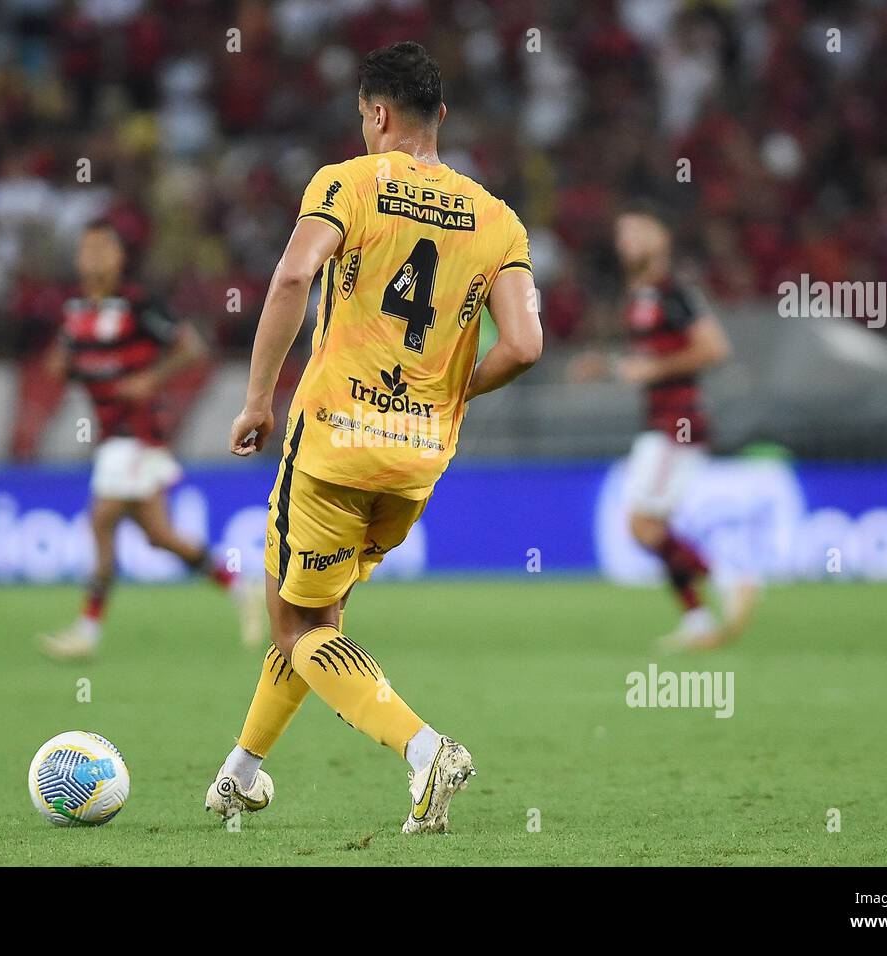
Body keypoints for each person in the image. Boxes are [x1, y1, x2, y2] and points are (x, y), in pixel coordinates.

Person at [203, 41, 542, 833]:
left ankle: (426, 750)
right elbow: (524, 346)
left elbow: (292, 277)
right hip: (418, 459)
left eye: (364, 119)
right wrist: (452, 389)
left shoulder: (347, 183)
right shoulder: (499, 220)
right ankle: (239, 775)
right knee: (319, 620)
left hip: (334, 443)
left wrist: (257, 399)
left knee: (297, 630)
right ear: (442, 118)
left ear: (378, 114)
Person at [38, 221, 263, 660]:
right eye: (86, 249)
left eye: (103, 248)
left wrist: (150, 378)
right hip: (109, 433)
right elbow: (59, 364)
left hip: (138, 430)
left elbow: (191, 347)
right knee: (159, 535)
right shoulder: (76, 310)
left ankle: (87, 631)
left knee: (102, 519)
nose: (93, 257)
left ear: (119, 258)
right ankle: (241, 587)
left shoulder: (139, 303)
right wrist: (62, 364)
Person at [571, 206, 756, 650]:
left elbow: (713, 349)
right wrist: (609, 366)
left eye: (635, 231)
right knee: (653, 526)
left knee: (642, 524)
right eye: (621, 234)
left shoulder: (674, 293)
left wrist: (651, 371)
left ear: (661, 240)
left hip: (679, 425)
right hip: (660, 422)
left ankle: (731, 580)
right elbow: (645, 364)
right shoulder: (639, 296)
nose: (625, 241)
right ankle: (696, 619)